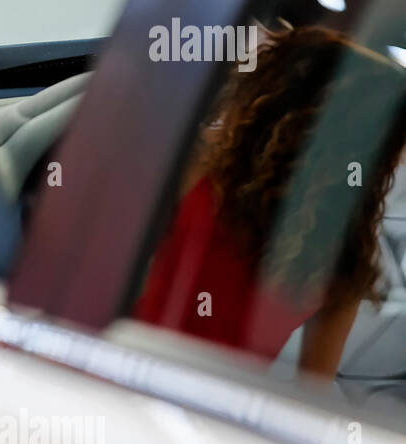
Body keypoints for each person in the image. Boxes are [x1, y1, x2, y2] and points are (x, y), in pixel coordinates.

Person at [134, 26, 406, 379]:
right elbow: (312, 395)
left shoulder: (197, 169)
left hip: (119, 376)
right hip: (212, 419)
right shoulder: (345, 260)